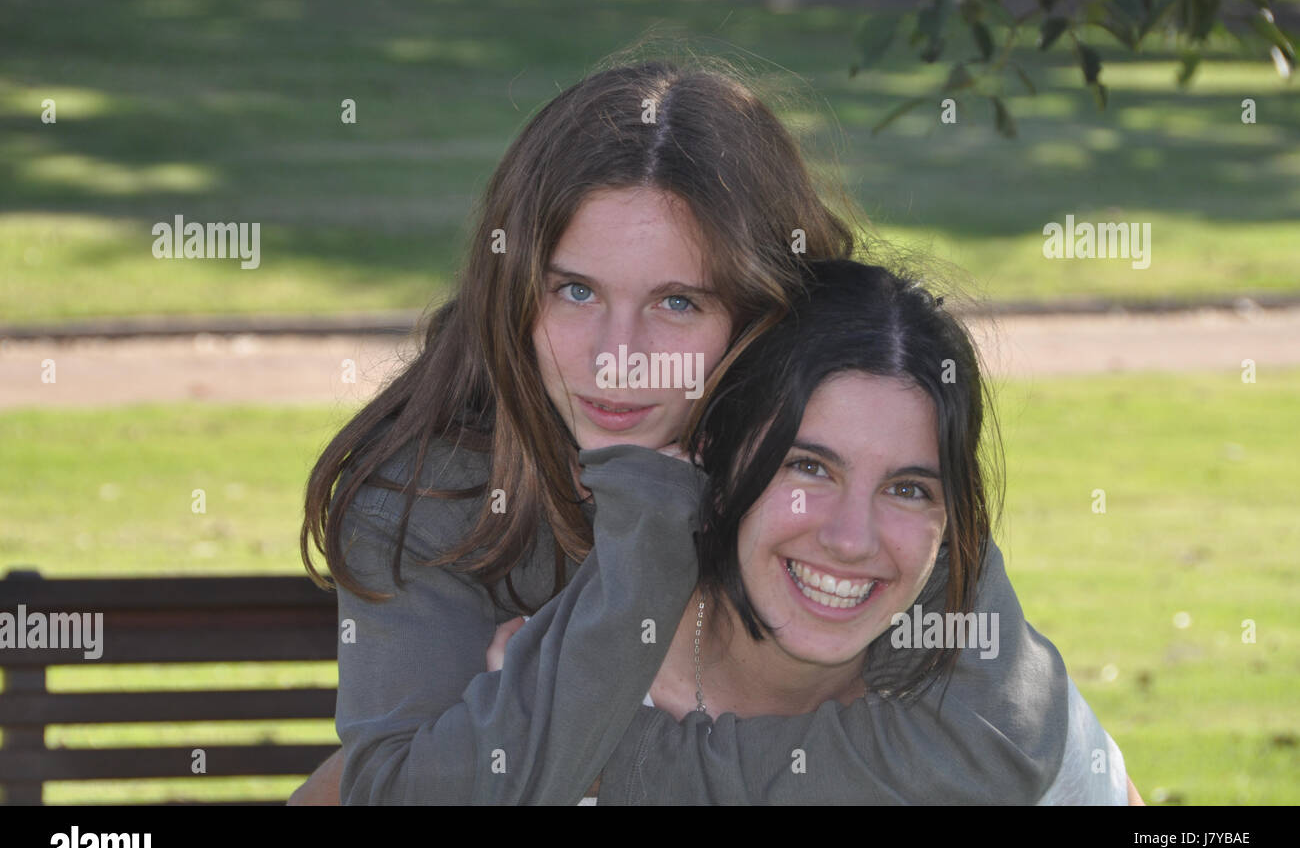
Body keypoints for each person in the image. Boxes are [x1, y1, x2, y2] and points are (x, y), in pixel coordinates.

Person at [290, 51, 1074, 805]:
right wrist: (648, 538)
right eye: (574, 291)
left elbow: (994, 748)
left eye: (677, 303)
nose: (618, 358)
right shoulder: (429, 492)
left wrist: (616, 764)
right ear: (514, 291)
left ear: (761, 317)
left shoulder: (841, 444)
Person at [489, 259, 1139, 804]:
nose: (852, 539)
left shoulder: (1003, 728)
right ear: (715, 458)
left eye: (908, 489)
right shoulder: (551, 706)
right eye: (808, 467)